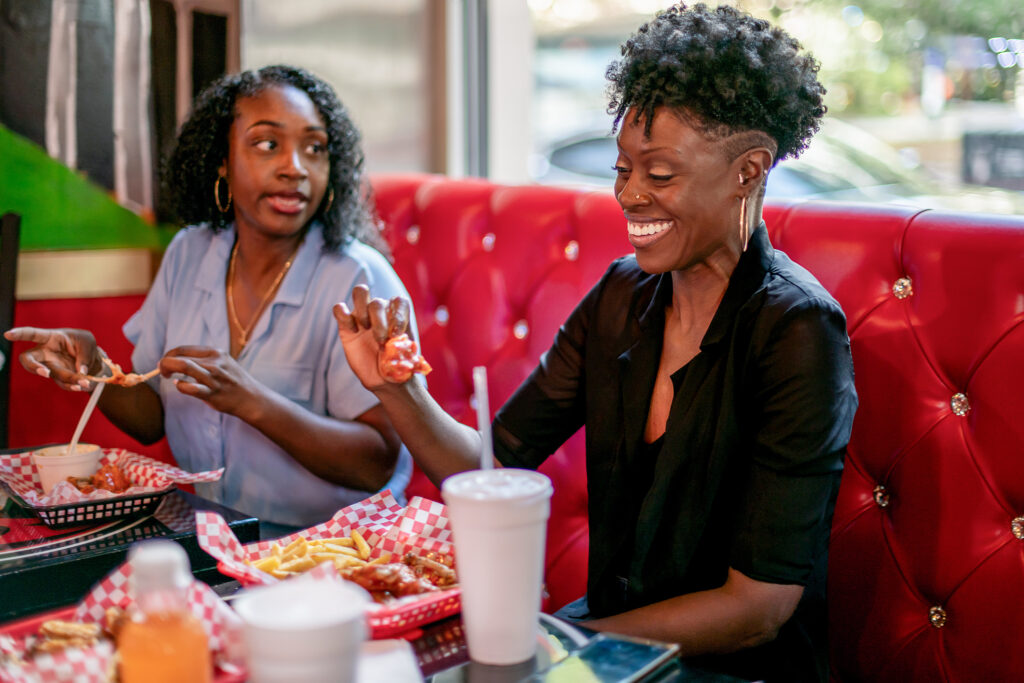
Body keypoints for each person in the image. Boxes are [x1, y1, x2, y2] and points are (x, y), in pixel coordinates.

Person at [334, 4, 856, 681]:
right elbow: (489, 469)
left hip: (729, 667)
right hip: (600, 645)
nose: (630, 194)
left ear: (748, 170)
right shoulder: (619, 298)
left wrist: (563, 637)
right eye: (622, 169)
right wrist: (397, 388)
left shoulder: (797, 331)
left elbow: (758, 607)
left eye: (659, 174)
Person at [5, 65, 416, 537]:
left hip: (335, 547)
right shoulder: (189, 252)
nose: (295, 167)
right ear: (221, 159)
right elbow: (151, 418)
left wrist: (250, 400)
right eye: (268, 144)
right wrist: (95, 366)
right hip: (209, 535)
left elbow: (376, 464)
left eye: (315, 148)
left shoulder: (360, 278)